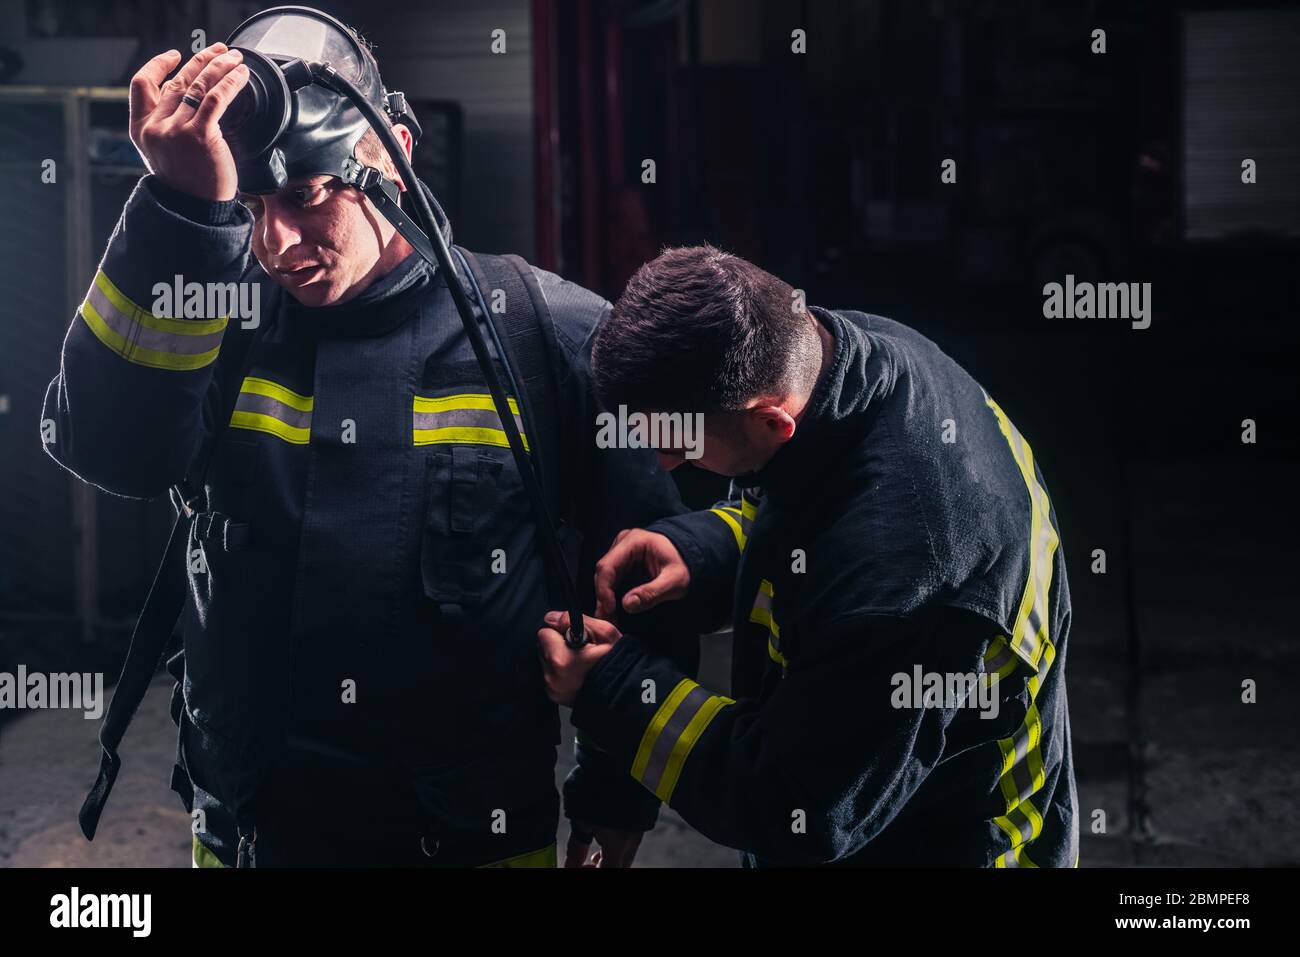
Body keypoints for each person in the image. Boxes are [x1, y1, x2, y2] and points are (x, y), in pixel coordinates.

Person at [42, 13, 692, 868]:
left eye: (307, 194)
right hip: (247, 838)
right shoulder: (221, 313)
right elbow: (109, 449)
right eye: (250, 205)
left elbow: (644, 587)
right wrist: (178, 211)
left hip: (471, 842)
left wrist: (615, 807)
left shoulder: (547, 336)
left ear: (397, 151)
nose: (274, 245)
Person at [538, 244, 1080, 867]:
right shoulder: (841, 359)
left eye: (679, 442)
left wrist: (614, 690)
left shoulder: (900, 571)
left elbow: (796, 807)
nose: (664, 464)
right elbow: (805, 510)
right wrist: (702, 551)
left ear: (772, 421)